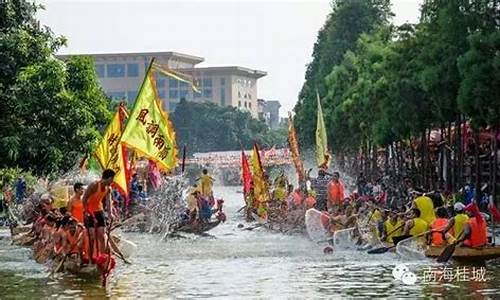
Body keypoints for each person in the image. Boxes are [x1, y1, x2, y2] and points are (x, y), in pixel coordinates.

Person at [83, 169, 115, 262]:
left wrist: (110, 213)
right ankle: (90, 261)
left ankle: (103, 258)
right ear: (109, 178)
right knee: (92, 238)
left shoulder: (108, 188)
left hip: (99, 211)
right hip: (89, 211)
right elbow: (84, 199)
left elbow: (109, 201)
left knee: (101, 235)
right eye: (112, 179)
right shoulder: (94, 185)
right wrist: (86, 212)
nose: (112, 182)